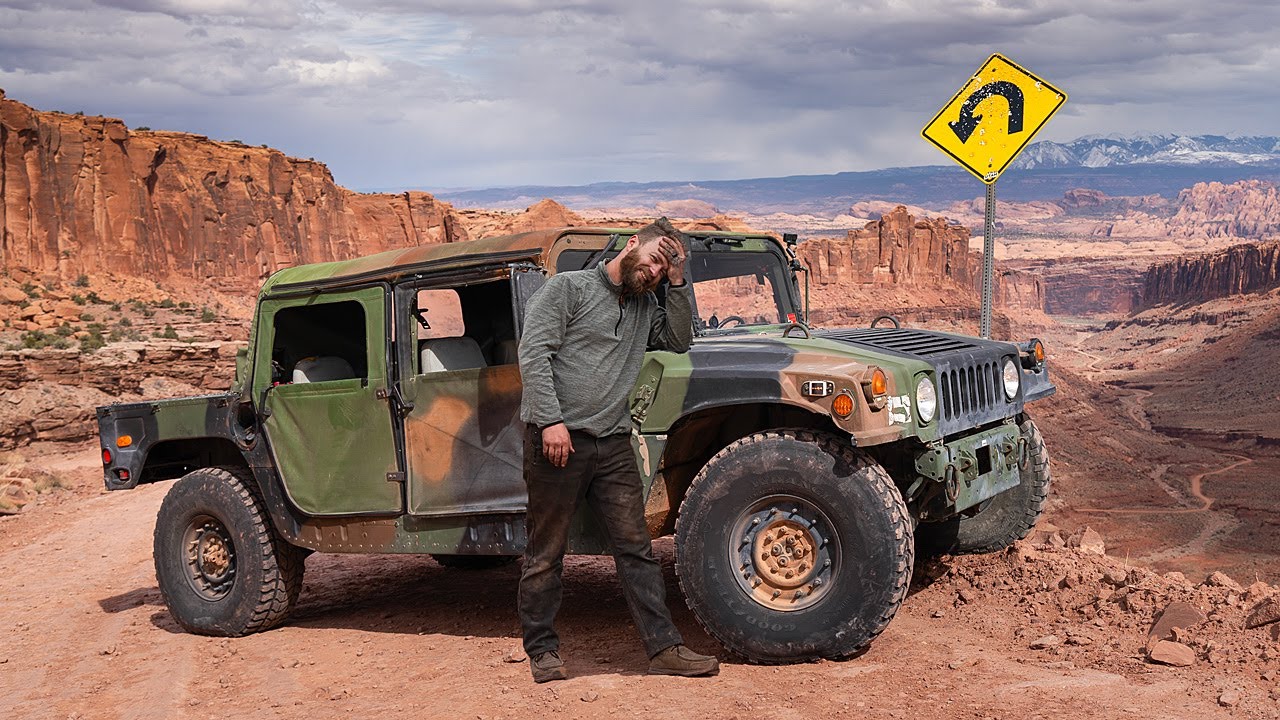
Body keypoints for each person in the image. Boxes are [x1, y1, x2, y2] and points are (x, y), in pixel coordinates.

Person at [516, 217, 720, 683]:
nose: (654, 271)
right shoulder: (569, 289)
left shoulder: (646, 305)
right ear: (632, 245)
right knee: (546, 551)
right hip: (558, 441)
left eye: (663, 268)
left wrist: (678, 281)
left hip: (612, 443)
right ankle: (542, 651)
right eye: (654, 259)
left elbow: (679, 341)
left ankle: (664, 649)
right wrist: (550, 421)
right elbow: (535, 352)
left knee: (636, 549)